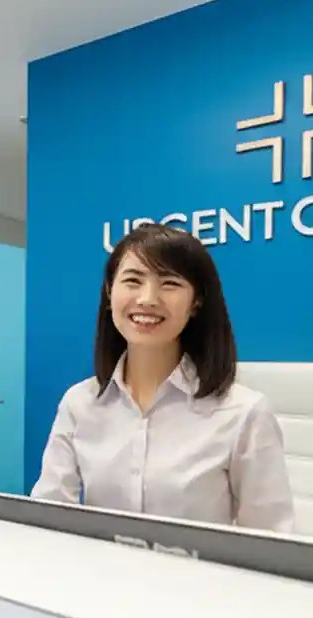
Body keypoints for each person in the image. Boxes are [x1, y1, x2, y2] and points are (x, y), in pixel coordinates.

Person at [30, 225, 294, 532]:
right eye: (132, 280)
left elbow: (271, 540)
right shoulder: (79, 403)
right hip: (101, 577)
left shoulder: (244, 412)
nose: (147, 298)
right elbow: (46, 515)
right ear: (108, 292)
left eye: (169, 283)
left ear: (196, 302)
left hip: (200, 579)